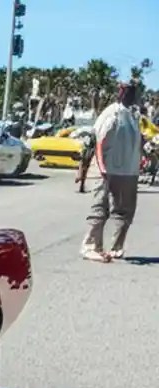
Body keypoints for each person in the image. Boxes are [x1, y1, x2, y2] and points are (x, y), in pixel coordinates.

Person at [81, 83, 143, 262]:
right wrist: (102, 167)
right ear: (121, 93)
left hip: (129, 171)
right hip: (109, 169)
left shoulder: (133, 115)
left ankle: (116, 247)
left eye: (133, 92)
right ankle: (91, 246)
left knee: (125, 211)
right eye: (127, 91)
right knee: (100, 208)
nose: (131, 95)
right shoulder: (112, 114)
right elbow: (99, 142)